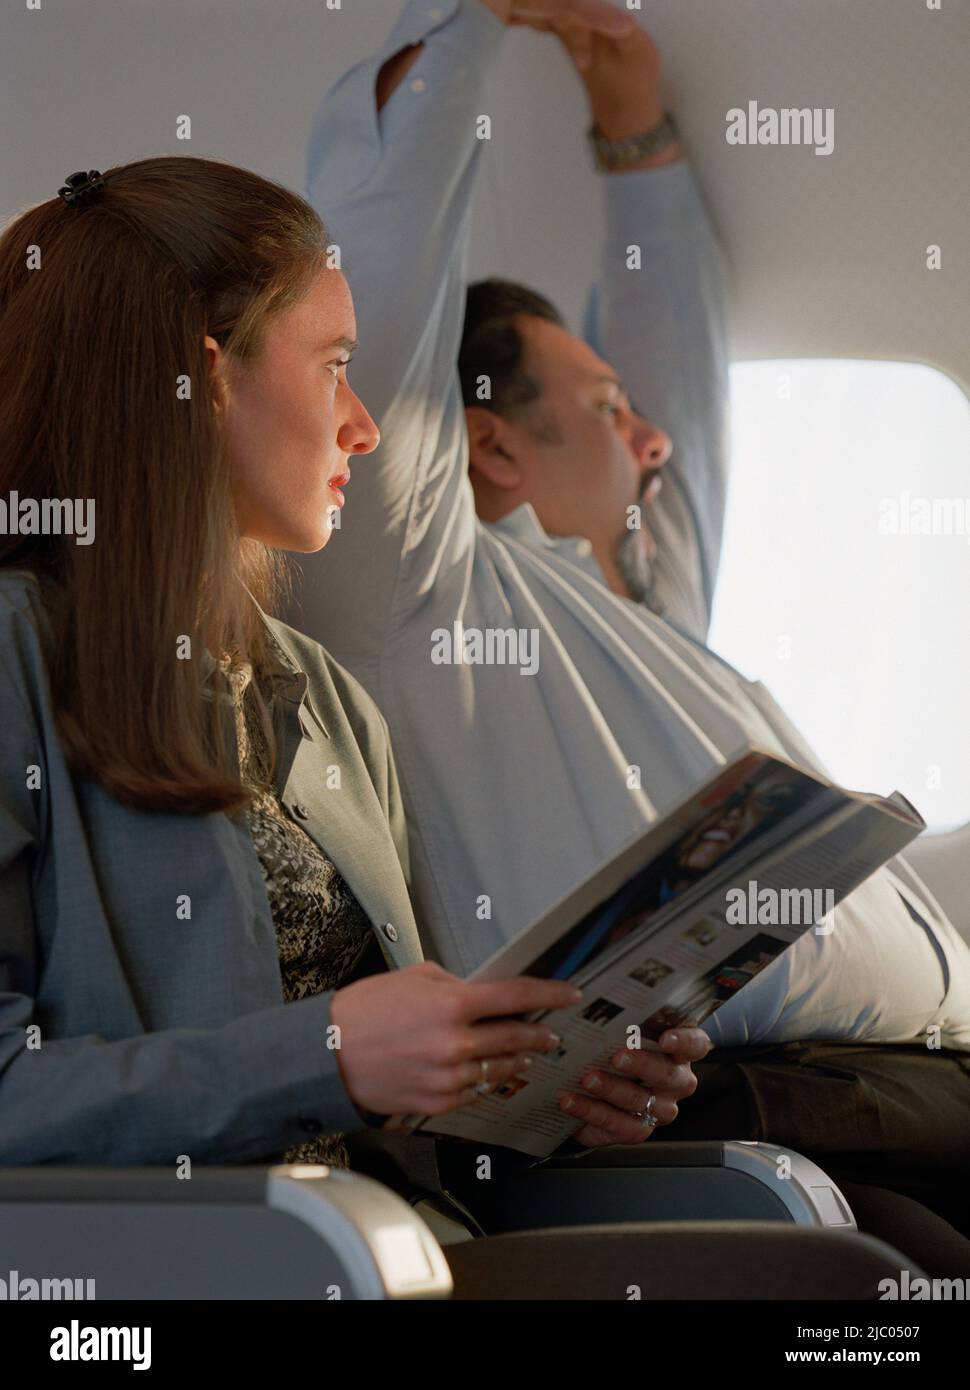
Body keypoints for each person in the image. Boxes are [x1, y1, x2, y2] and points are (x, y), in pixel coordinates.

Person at [290, 0, 970, 1254]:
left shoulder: (636, 609)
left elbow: (684, 389)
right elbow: (385, 283)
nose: (650, 433)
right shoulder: (431, 596)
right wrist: (464, 25)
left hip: (909, 1084)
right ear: (484, 440)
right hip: (769, 1099)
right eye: (606, 405)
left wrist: (633, 124)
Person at [0, 155, 705, 1172]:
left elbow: (377, 1112)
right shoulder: (20, 654)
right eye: (334, 364)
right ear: (200, 379)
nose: (363, 426)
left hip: (380, 1237)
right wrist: (319, 1057)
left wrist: (536, 1089)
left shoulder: (321, 696)